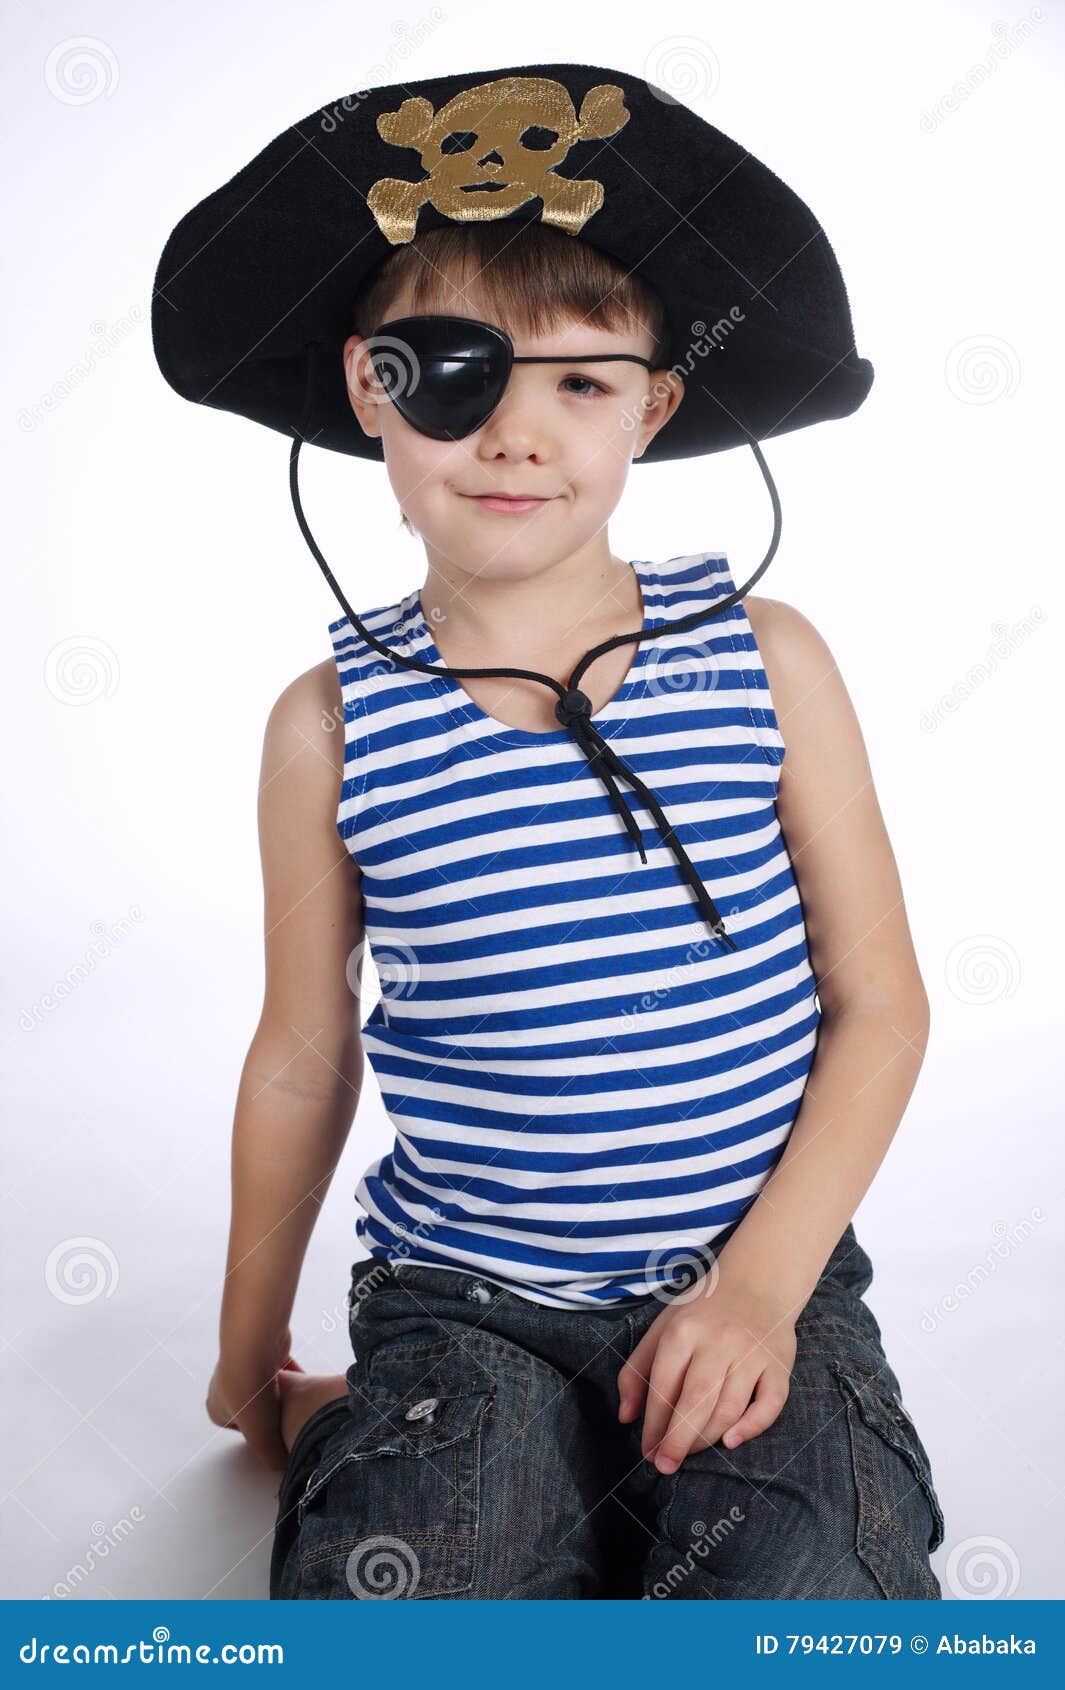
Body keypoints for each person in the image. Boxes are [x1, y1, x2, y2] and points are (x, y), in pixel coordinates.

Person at [155, 63, 945, 1599]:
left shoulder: (766, 657)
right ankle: (387, 1435)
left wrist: (764, 1289)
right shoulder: (330, 724)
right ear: (371, 388)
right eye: (452, 372)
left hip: (752, 1269)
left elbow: (882, 1004)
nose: (518, 431)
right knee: (406, 1589)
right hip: (466, 1302)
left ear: (653, 407)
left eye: (578, 381)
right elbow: (304, 1052)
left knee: (810, 1589)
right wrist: (247, 1362)